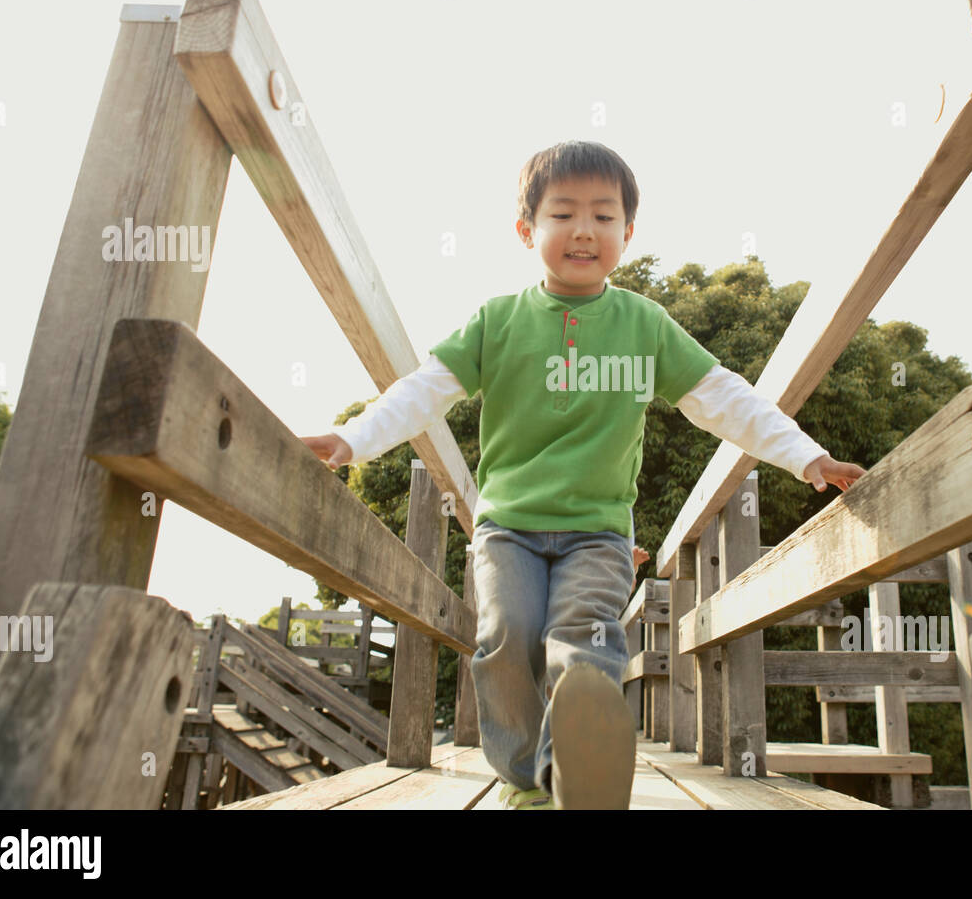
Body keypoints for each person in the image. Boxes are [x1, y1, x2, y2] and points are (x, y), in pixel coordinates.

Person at [301, 140, 865, 809]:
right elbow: (424, 390)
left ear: (627, 233)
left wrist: (807, 456)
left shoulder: (644, 324)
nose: (583, 231)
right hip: (507, 527)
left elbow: (723, 396)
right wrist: (352, 439)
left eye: (604, 216)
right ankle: (526, 779)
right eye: (563, 213)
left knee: (585, 641)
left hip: (598, 533)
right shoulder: (499, 322)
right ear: (527, 230)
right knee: (507, 640)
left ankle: (579, 767)